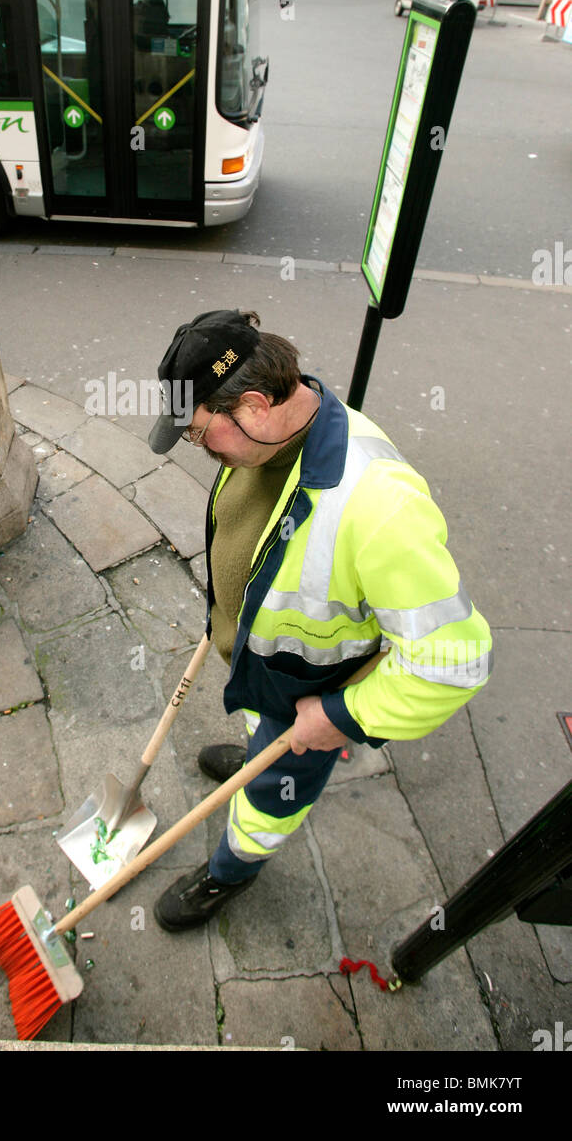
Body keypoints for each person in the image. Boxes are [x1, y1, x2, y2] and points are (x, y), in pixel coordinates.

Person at [147, 309, 492, 931]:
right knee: (263, 735)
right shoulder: (269, 435)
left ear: (253, 406)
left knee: (269, 796)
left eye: (200, 435)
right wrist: (226, 611)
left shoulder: (379, 506)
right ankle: (259, 744)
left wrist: (341, 719)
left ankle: (230, 869)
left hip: (311, 698)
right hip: (265, 668)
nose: (202, 451)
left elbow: (455, 660)